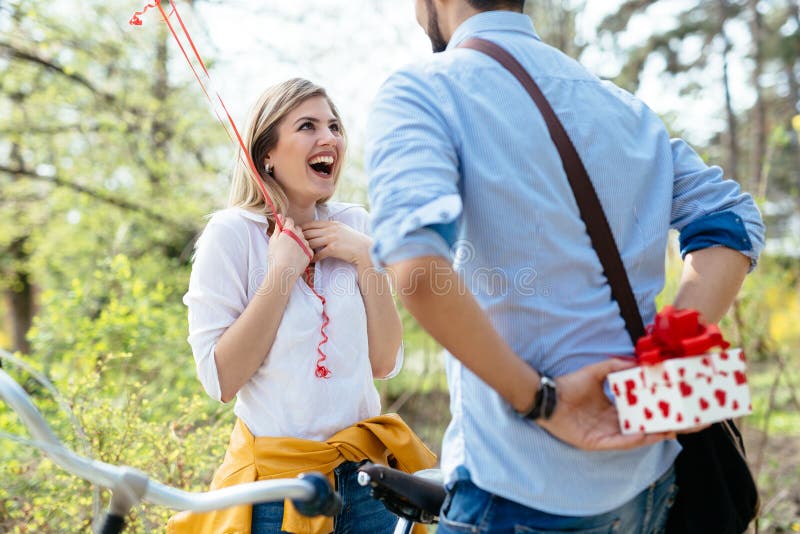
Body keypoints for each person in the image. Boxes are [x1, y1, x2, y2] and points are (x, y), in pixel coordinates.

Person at [365, 1, 765, 533]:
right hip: (648, 477)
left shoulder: (424, 90)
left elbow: (415, 267)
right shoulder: (621, 106)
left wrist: (543, 401)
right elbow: (730, 214)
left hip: (515, 487)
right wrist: (665, 355)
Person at [171, 78, 436, 534]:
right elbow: (221, 379)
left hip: (367, 482)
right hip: (279, 491)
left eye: (334, 126)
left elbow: (385, 361)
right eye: (308, 126)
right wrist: (281, 274)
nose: (329, 138)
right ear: (266, 154)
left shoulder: (356, 224)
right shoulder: (230, 235)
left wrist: (367, 260)